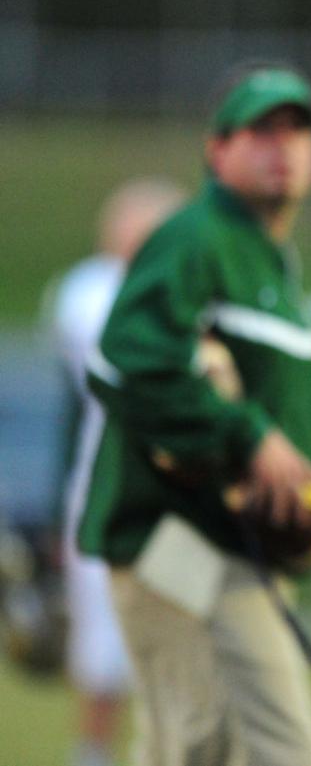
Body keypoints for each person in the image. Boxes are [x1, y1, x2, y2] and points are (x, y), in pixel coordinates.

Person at [79, 62, 311, 766]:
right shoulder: (195, 237)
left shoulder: (270, 260)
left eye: (298, 130)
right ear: (216, 151)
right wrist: (248, 435)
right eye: (261, 130)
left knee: (206, 743)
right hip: (173, 537)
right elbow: (123, 362)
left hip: (230, 546)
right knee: (216, 738)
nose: (283, 145)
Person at [49, 177, 185, 766]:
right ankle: (95, 753)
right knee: (103, 647)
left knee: (184, 636)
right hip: (109, 493)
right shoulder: (93, 291)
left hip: (181, 501)